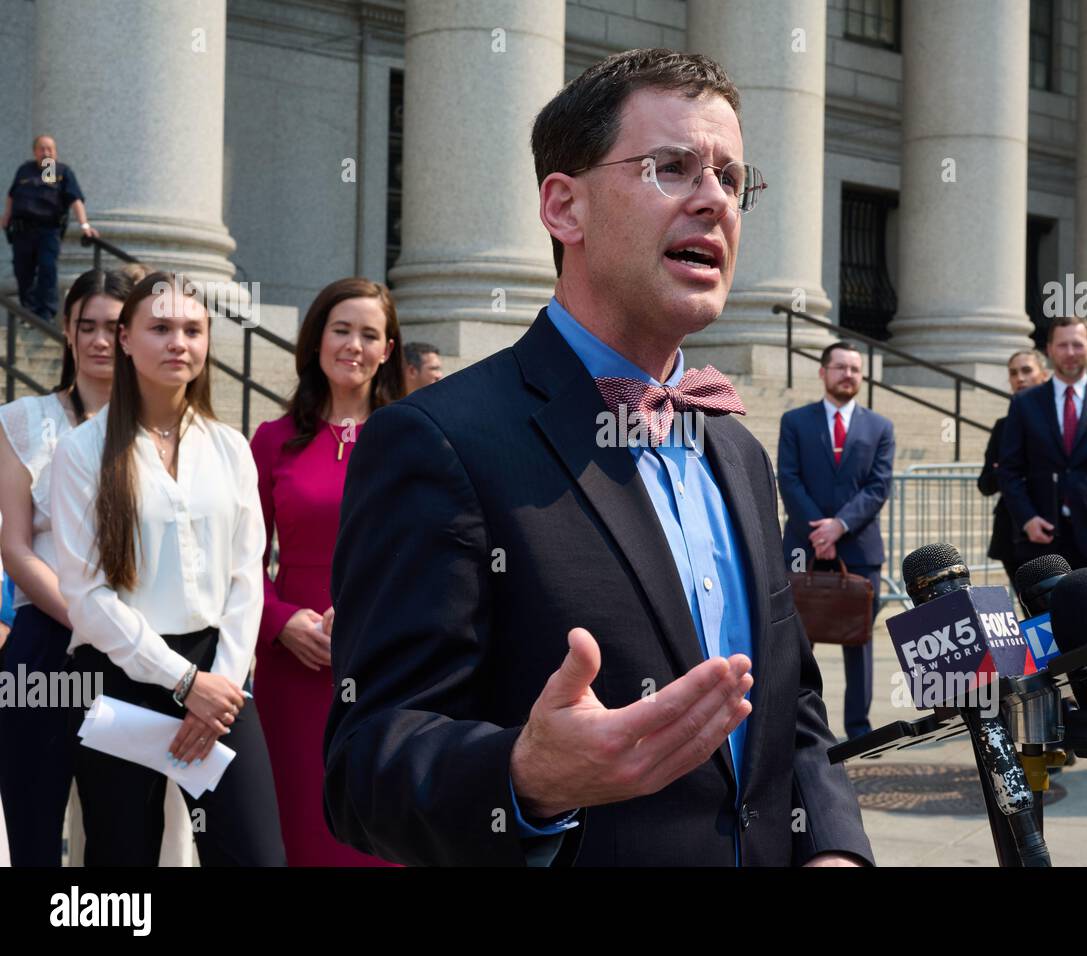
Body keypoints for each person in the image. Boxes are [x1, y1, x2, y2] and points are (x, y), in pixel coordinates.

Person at [324, 48, 872, 867]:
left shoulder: (739, 449)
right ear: (564, 207)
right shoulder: (438, 443)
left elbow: (792, 709)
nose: (714, 199)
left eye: (731, 177)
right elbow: (364, 766)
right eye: (673, 166)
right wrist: (526, 775)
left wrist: (833, 850)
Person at [49, 271, 285, 864]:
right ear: (125, 338)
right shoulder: (82, 452)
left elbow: (245, 575)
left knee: (254, 854)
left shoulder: (230, 447)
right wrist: (183, 683)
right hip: (123, 676)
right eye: (160, 328)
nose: (179, 342)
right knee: (121, 867)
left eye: (193, 329)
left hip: (221, 675)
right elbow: (86, 595)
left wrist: (222, 687)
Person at [251, 278, 403, 866]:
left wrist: (376, 622)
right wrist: (281, 621)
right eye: (341, 330)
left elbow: (435, 554)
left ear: (388, 349)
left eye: (370, 334)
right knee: (300, 828)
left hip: (388, 661)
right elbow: (241, 560)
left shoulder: (414, 438)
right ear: (316, 340)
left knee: (378, 833)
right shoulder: (273, 441)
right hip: (293, 664)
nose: (354, 345)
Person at [0, 268, 124, 866]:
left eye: (115, 327)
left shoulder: (156, 428)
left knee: (120, 835)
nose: (100, 340)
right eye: (87, 326)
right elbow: (16, 547)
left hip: (134, 647)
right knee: (33, 825)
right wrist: (84, 617)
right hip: (44, 643)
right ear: (68, 334)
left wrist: (114, 631)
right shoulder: (24, 419)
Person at [776, 340, 893, 739]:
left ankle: (859, 728)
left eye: (855, 369)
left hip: (859, 550)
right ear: (823, 372)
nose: (848, 375)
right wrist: (819, 529)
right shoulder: (795, 421)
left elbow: (877, 487)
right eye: (840, 367)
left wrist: (838, 527)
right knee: (795, 639)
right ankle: (798, 721)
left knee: (858, 639)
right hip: (802, 549)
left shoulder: (880, 427)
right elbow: (788, 479)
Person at [998, 315, 1087, 581]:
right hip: (1041, 538)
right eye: (1062, 345)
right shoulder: (1024, 404)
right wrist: (1027, 518)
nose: (1070, 353)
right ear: (1049, 350)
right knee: (1046, 621)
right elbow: (1009, 470)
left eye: (1077, 345)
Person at [1, 136, 98, 320]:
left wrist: (84, 225)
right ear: (34, 152)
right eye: (41, 148)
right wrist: (6, 215)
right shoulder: (25, 170)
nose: (46, 152)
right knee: (23, 272)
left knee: (47, 268)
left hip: (47, 230)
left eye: (49, 149)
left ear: (55, 152)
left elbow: (75, 199)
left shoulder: (57, 171)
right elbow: (12, 195)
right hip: (22, 231)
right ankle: (28, 313)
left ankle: (45, 313)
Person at [979, 349, 1051, 588]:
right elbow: (985, 483)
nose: (1020, 378)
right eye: (1013, 373)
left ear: (1044, 375)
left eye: (1027, 370)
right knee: (1032, 607)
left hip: (1053, 527)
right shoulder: (1002, 427)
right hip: (1011, 532)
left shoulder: (1057, 422)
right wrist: (1005, 471)